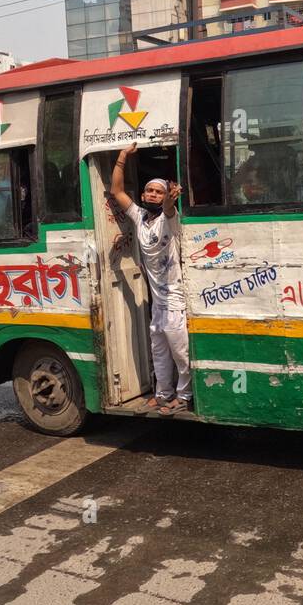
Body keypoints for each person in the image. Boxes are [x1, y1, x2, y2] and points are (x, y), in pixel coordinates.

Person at [110, 142, 192, 414]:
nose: (154, 195)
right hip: (157, 301)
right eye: (150, 191)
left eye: (159, 192)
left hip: (175, 298)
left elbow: (169, 207)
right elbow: (116, 191)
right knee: (159, 350)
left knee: (180, 351)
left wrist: (171, 197)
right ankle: (163, 393)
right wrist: (122, 157)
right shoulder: (140, 216)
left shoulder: (169, 218)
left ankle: (185, 396)